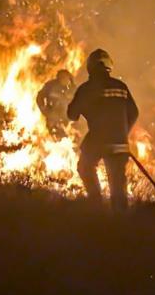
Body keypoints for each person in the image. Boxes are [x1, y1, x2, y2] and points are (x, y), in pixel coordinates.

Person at [67, 49, 139, 211]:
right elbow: (134, 112)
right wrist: (123, 132)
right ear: (109, 66)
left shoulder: (87, 88)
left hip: (97, 140)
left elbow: (72, 115)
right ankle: (120, 219)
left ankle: (96, 203)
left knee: (85, 167)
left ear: (90, 67)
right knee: (117, 183)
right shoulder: (121, 87)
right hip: (120, 143)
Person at [36, 69, 76, 137]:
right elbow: (40, 97)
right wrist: (43, 109)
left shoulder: (72, 88)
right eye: (62, 77)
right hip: (52, 115)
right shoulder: (50, 86)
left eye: (66, 77)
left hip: (67, 118)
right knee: (51, 135)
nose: (64, 79)